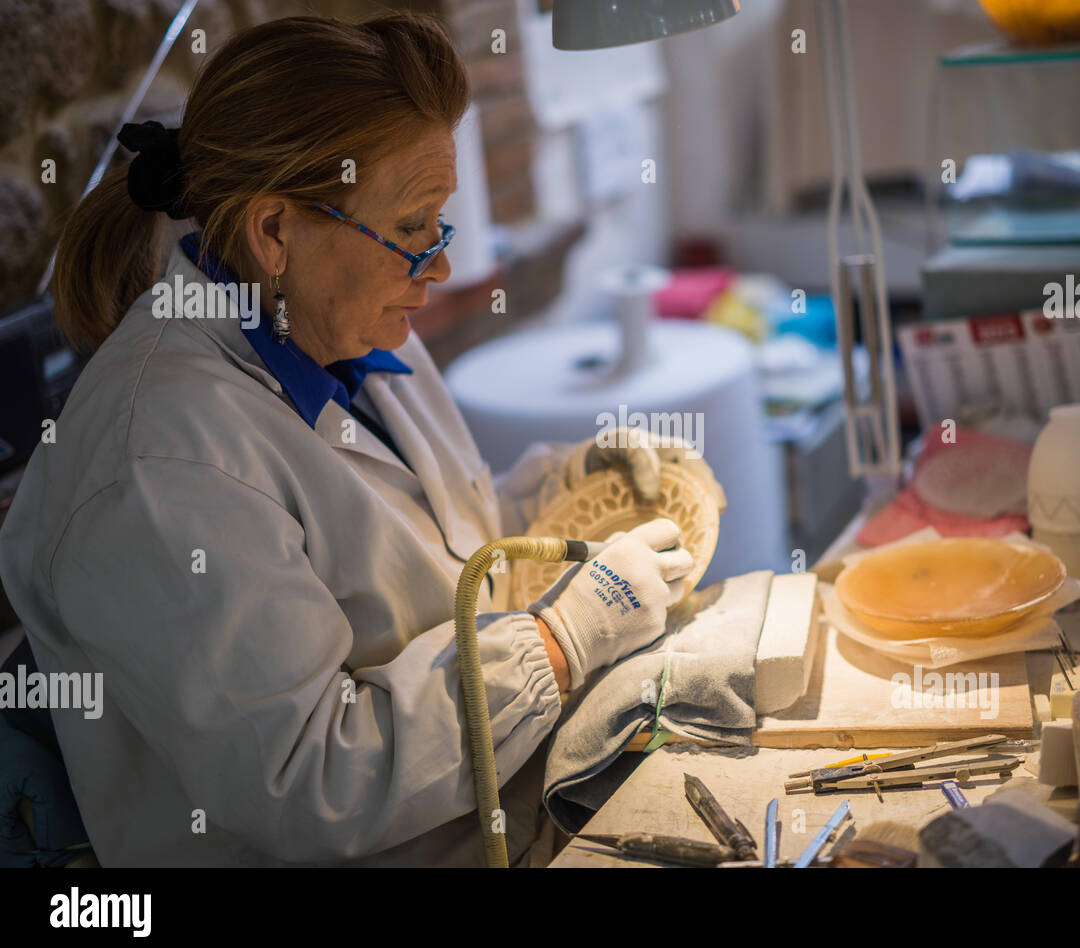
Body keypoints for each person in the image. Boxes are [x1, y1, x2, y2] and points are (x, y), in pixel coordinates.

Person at [0, 12, 723, 866]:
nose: (440, 265)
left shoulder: (344, 325)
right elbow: (312, 778)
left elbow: (432, 547)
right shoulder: (159, 462)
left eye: (439, 222)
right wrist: (561, 645)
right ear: (275, 234)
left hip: (511, 807)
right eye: (414, 227)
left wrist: (565, 489)